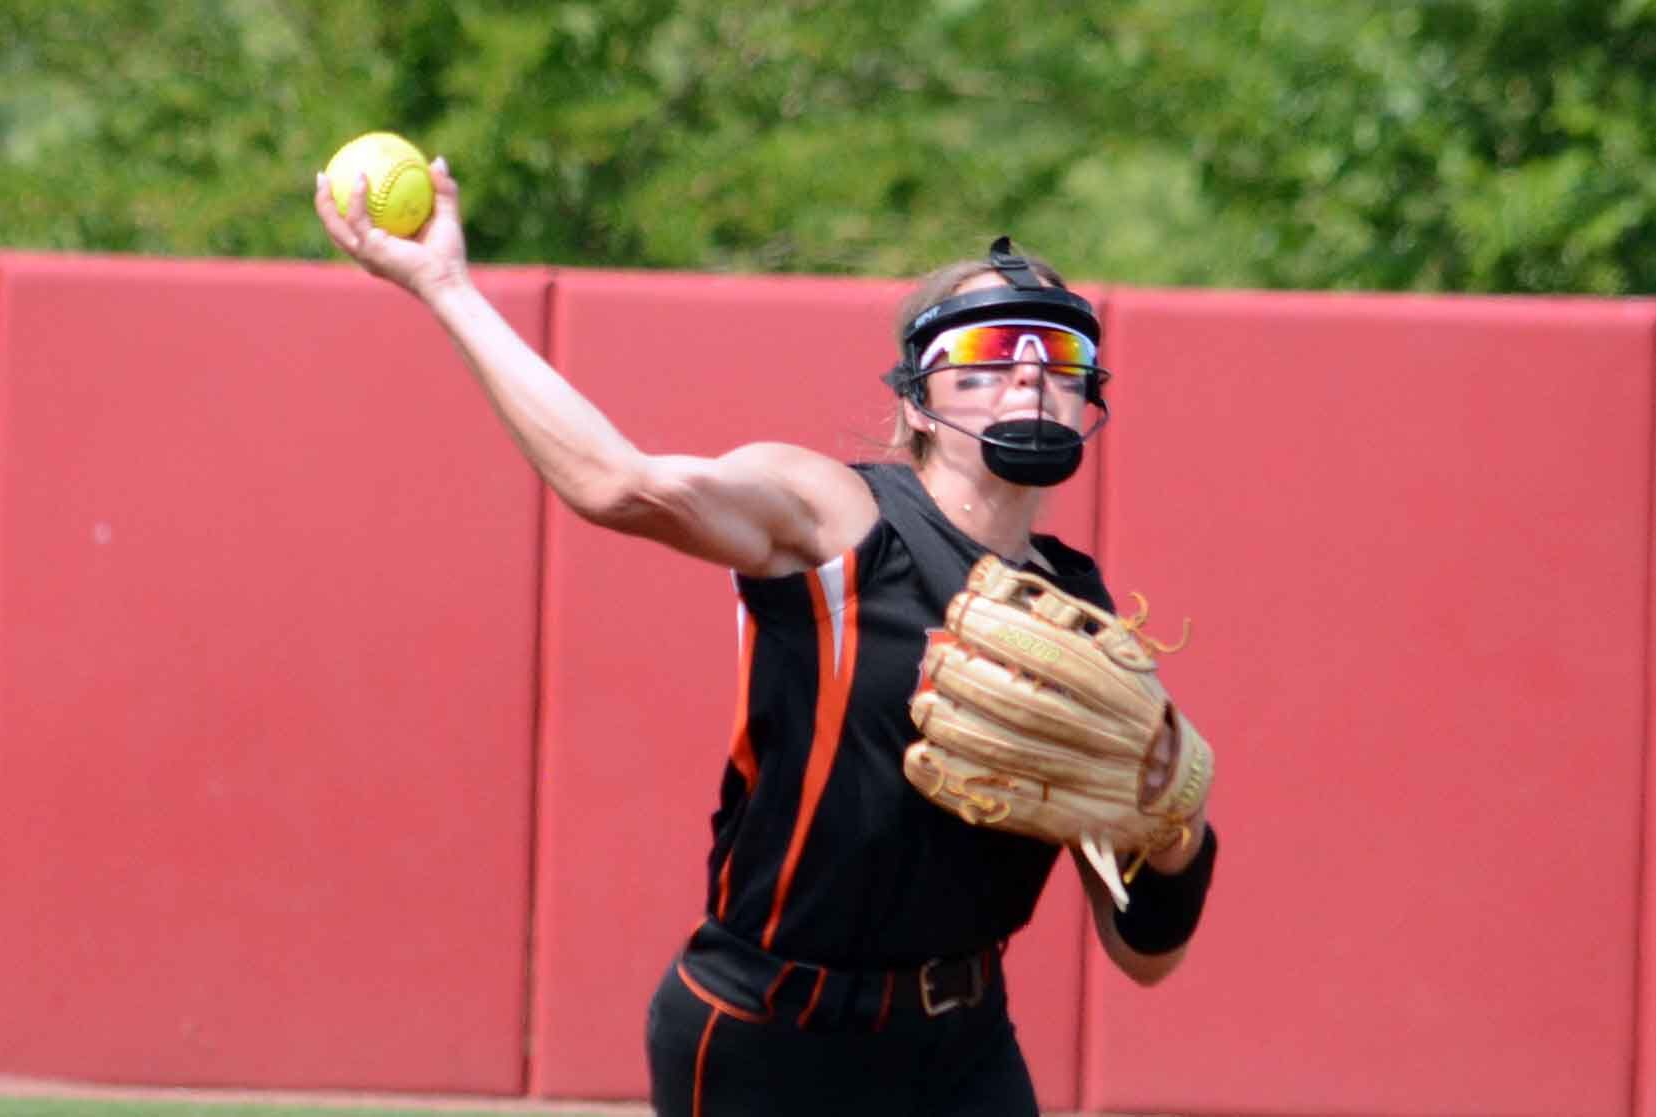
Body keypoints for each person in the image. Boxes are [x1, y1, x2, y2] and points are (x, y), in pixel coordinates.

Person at [315, 157, 1217, 1117]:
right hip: (769, 1036)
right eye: (996, 343)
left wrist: (1176, 831)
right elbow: (620, 485)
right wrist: (446, 286)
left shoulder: (1078, 619)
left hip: (962, 1047)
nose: (1032, 365)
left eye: (1061, 348)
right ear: (917, 396)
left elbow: (1142, 958)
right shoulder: (835, 513)